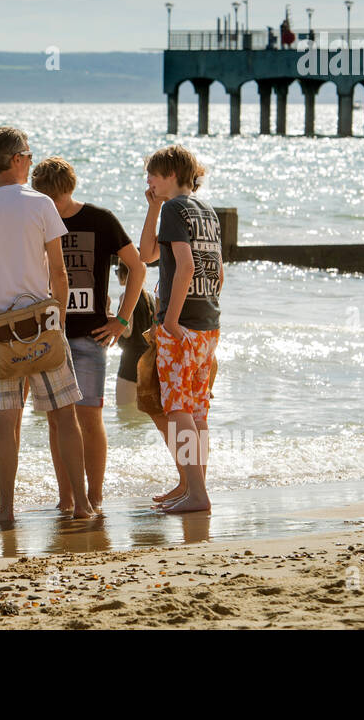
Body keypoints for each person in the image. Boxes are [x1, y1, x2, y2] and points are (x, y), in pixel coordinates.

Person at [0, 126, 93, 522]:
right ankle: (80, 504)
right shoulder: (40, 204)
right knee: (64, 415)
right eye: (29, 155)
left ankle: (7, 509)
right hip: (42, 323)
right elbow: (60, 274)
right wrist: (59, 325)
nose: (31, 161)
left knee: (4, 422)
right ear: (16, 159)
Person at [31, 156, 146, 511]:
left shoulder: (100, 219)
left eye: (58, 199)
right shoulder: (35, 221)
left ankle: (95, 495)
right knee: (55, 421)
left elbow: (137, 267)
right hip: (48, 335)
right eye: (46, 199)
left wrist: (123, 320)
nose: (53, 207)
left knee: (90, 418)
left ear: (70, 189)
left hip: (91, 337)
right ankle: (66, 498)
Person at [138, 146, 222, 515]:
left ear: (170, 174)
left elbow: (184, 267)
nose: (148, 181)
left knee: (177, 409)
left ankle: (198, 494)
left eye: (153, 175)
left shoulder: (175, 209)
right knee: (197, 410)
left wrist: (170, 321)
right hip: (208, 322)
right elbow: (148, 255)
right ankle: (191, 486)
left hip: (181, 324)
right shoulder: (205, 211)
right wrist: (153, 206)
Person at [112, 260, 156, 407]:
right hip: (147, 363)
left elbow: (127, 332)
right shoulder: (150, 298)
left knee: (123, 414)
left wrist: (112, 320)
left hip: (130, 363)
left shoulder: (125, 297)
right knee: (142, 417)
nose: (117, 275)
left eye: (118, 272)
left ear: (125, 275)